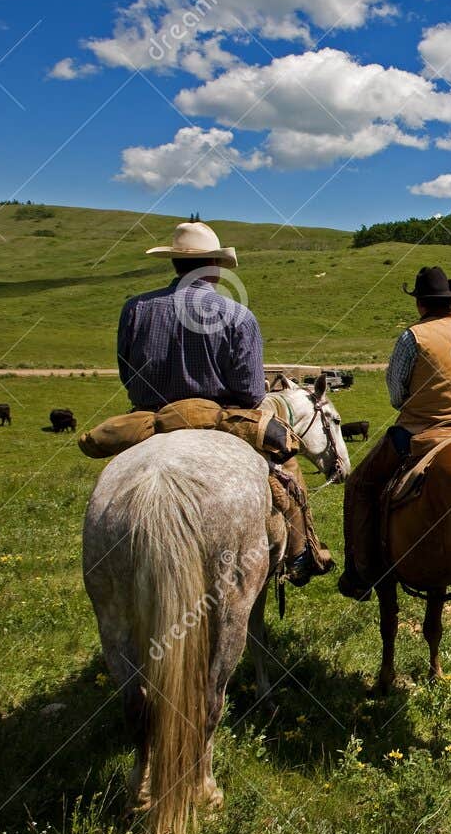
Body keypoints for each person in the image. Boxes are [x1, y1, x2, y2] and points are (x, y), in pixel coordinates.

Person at [76, 221, 332, 584]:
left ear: (175, 264)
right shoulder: (237, 316)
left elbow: (128, 376)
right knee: (288, 463)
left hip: (151, 419)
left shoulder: (135, 309)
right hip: (220, 418)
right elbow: (249, 393)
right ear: (215, 267)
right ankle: (302, 551)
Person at [337, 265, 451, 601]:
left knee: (360, 484)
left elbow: (396, 395)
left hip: (420, 432)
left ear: (420, 303)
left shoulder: (413, 337)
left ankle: (361, 572)